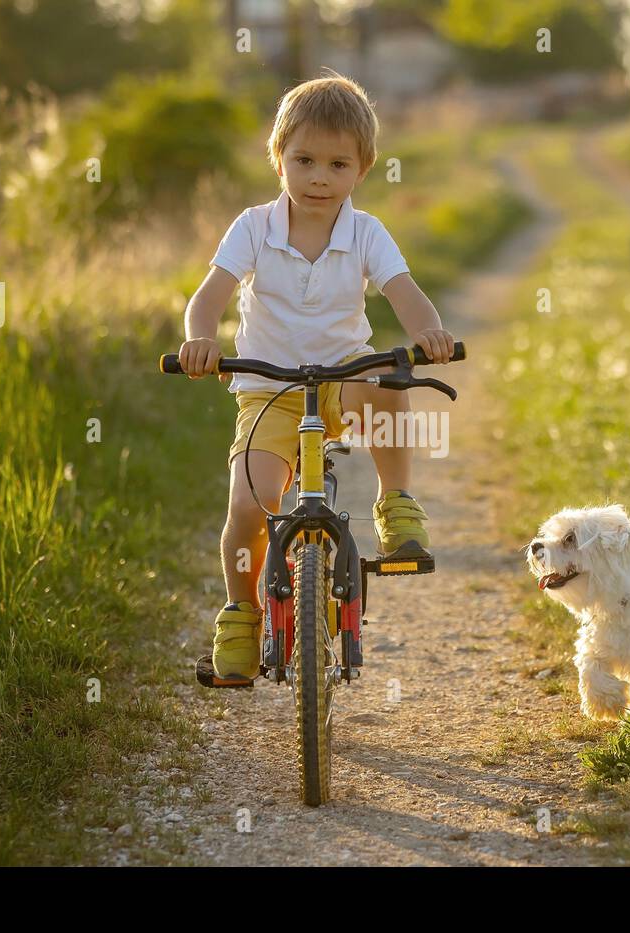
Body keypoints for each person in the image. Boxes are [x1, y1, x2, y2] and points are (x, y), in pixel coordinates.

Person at [178, 70, 455, 681]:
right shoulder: (252, 226)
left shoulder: (365, 232)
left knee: (385, 378)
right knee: (249, 506)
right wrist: (200, 339)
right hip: (268, 389)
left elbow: (405, 294)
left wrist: (428, 331)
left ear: (362, 169)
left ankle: (396, 503)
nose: (319, 177)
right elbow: (207, 298)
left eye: (337, 164)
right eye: (303, 160)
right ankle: (242, 618)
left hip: (341, 380)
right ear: (278, 161)